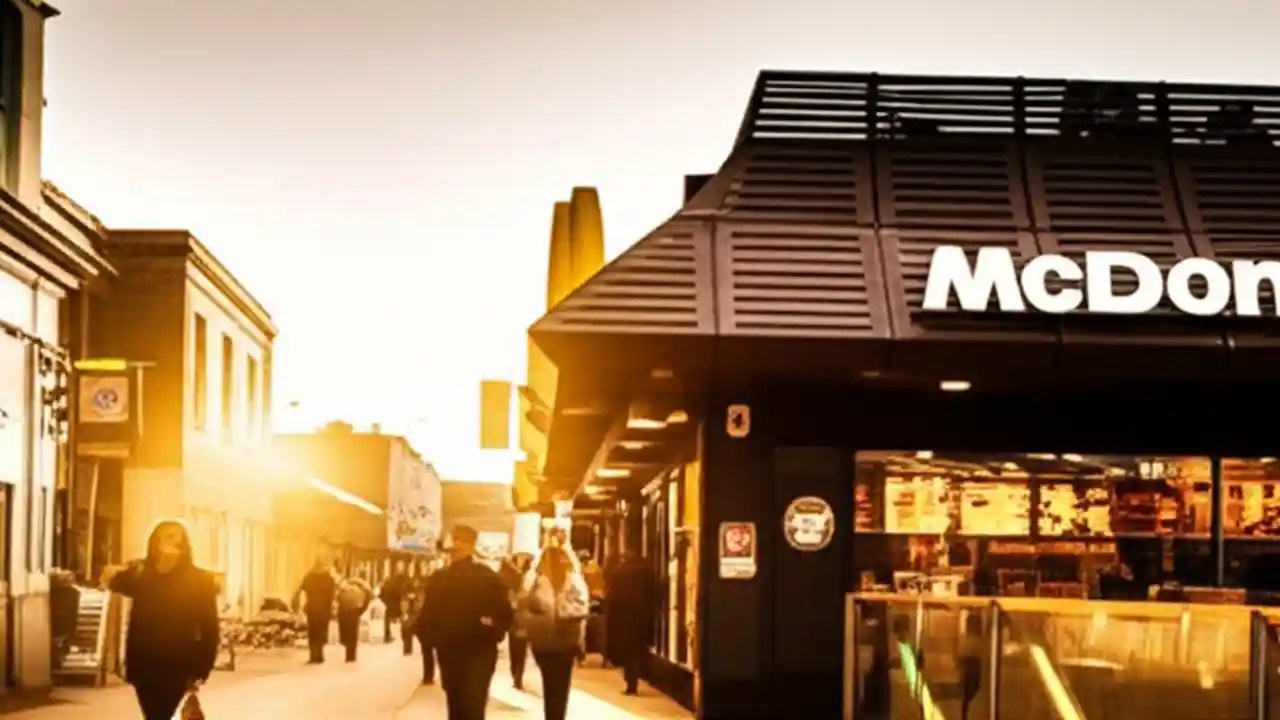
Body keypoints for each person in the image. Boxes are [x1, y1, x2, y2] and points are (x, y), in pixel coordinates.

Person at [101, 520, 218, 720]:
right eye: (166, 536)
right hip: (144, 661)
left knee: (160, 714)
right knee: (153, 714)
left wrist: (203, 666)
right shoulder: (142, 573)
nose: (171, 542)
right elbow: (113, 582)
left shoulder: (199, 580)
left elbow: (209, 626)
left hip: (180, 661)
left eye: (176, 537)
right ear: (155, 541)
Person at [418, 525, 511, 720]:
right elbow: (505, 615)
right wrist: (492, 630)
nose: (459, 544)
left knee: (459, 704)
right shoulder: (488, 577)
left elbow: (426, 618)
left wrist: (433, 641)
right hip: (475, 651)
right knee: (470, 704)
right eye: (457, 540)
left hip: (458, 651)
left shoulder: (441, 579)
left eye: (462, 541)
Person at [518, 546, 590, 720]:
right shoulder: (573, 581)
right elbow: (583, 608)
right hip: (564, 638)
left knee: (550, 681)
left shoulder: (534, 581)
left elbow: (523, 607)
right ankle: (557, 716)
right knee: (561, 683)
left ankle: (552, 715)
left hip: (544, 639)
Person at [605, 549, 653, 695]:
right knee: (638, 650)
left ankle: (631, 683)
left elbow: (612, 599)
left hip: (624, 619)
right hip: (642, 617)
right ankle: (637, 678)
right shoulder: (647, 571)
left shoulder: (619, 573)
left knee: (629, 652)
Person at [498, 553, 532, 690]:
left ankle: (515, 675)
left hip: (512, 618)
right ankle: (518, 676)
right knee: (521, 650)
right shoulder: (522, 579)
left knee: (514, 648)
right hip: (522, 618)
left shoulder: (501, 577)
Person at [294, 559, 337, 664]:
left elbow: (302, 591)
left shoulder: (308, 578)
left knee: (313, 632)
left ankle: (314, 655)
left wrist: (300, 607)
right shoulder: (329, 579)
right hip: (324, 610)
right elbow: (333, 595)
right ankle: (320, 654)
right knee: (322, 631)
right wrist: (332, 607)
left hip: (312, 609)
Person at [336, 572, 373, 662]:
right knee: (352, 633)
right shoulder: (363, 586)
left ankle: (348, 652)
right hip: (354, 610)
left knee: (346, 633)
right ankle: (351, 655)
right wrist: (361, 610)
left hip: (344, 610)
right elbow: (368, 596)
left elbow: (337, 598)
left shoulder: (344, 586)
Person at [380, 560, 409, 646]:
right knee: (402, 618)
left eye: (402, 567)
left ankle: (389, 636)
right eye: (400, 567)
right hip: (394, 602)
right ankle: (403, 637)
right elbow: (398, 590)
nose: (401, 569)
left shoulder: (395, 577)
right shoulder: (398, 578)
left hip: (392, 602)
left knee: (390, 618)